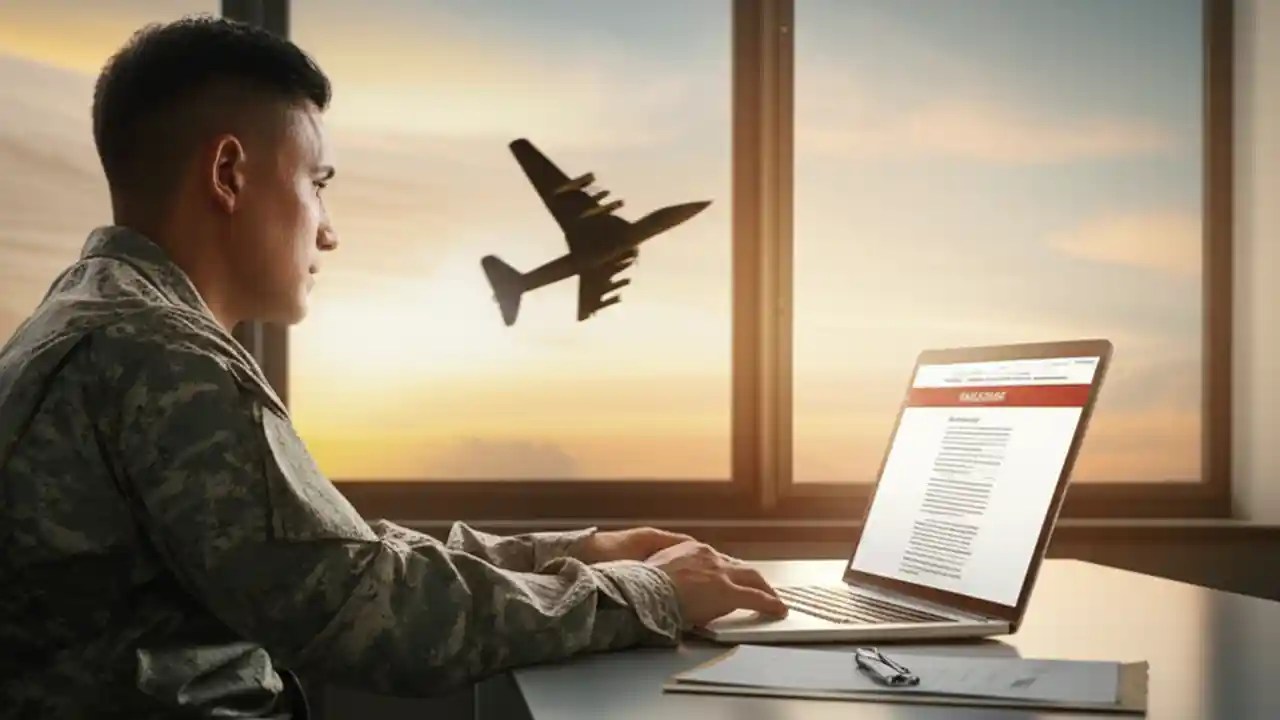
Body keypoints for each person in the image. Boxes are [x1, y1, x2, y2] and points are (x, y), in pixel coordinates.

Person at [0, 15, 787, 719]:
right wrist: (647, 594)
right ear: (228, 174)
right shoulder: (164, 358)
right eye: (318, 184)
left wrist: (572, 554)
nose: (330, 232)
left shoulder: (92, 319)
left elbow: (326, 553)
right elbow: (366, 612)